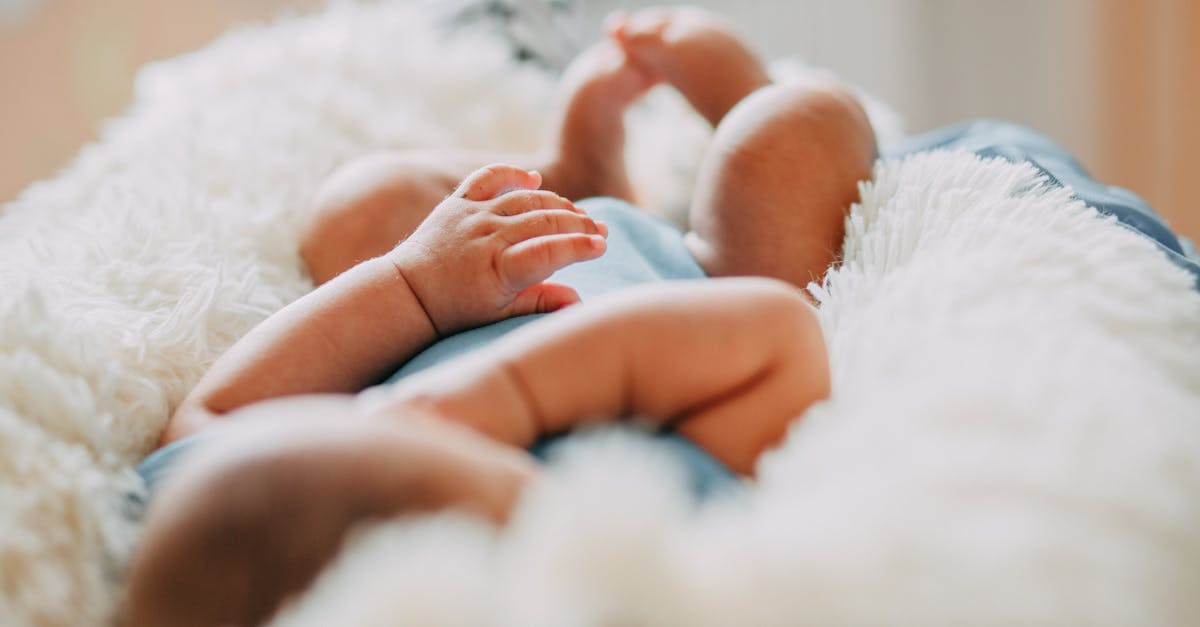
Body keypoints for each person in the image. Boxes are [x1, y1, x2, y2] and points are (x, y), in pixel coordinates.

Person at [122, 7, 877, 627]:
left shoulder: (211, 526)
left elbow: (206, 417)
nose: (442, 420)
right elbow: (775, 333)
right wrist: (512, 397)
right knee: (797, 131)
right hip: (702, 280)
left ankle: (568, 183)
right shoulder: (632, 528)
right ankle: (742, 106)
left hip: (468, 290)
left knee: (359, 208)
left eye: (411, 422)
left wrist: (413, 286)